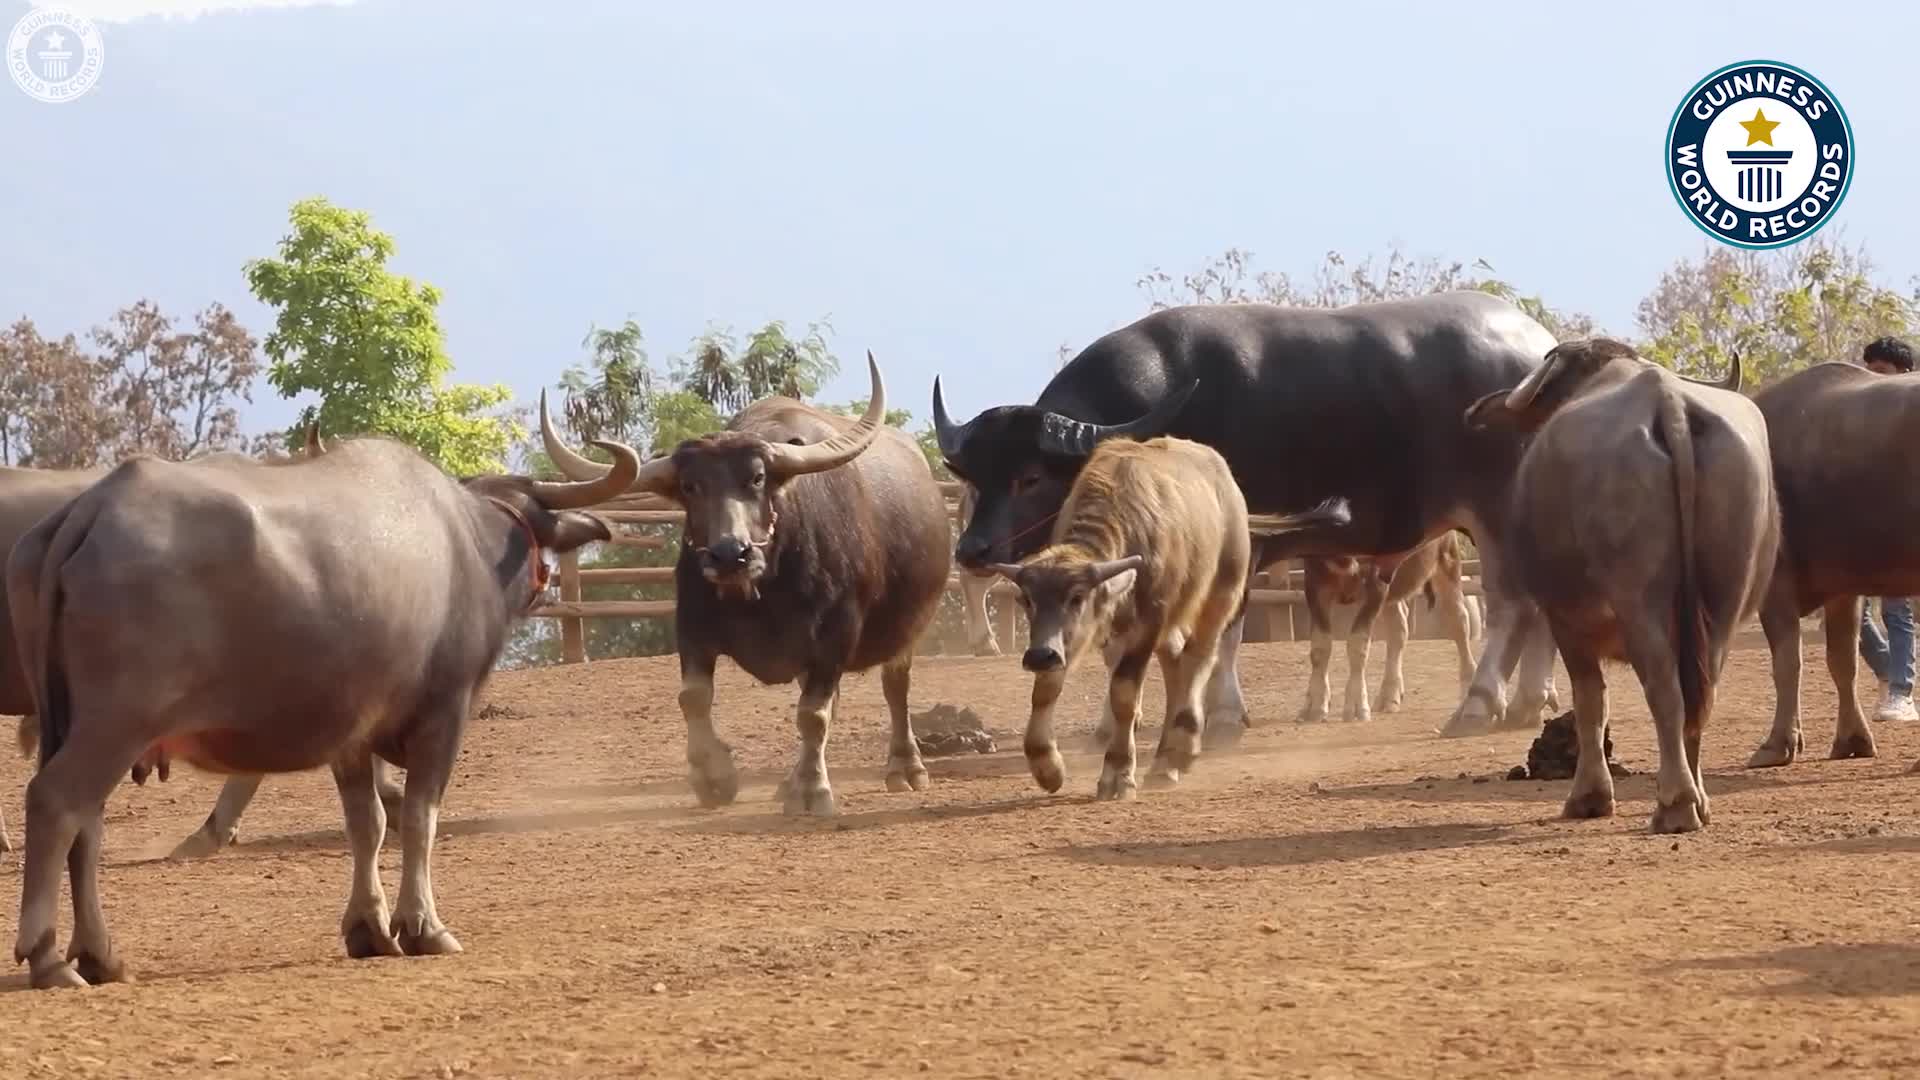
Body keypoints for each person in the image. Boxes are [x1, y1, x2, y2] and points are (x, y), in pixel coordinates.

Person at [1857, 336, 1916, 722]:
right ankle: (1887, 669)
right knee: (1851, 616)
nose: (1872, 380)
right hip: (1860, 529)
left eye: (1881, 373)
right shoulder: (1856, 416)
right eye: (1869, 371)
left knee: (1897, 611)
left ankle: (1901, 691)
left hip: (1901, 529)